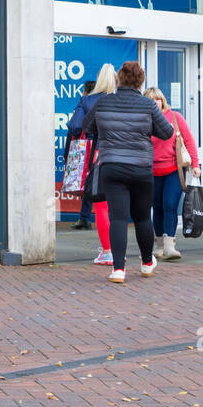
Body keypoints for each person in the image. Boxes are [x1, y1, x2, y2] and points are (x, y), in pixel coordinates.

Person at [83, 61, 174, 282]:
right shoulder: (148, 105)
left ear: (119, 79)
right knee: (143, 218)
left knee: (118, 219)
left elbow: (87, 127)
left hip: (112, 166)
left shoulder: (103, 103)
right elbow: (167, 132)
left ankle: (118, 269)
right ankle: (146, 263)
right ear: (140, 81)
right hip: (141, 168)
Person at [144, 87, 198, 260]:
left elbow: (189, 141)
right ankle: (159, 246)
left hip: (174, 170)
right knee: (157, 207)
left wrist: (195, 165)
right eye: (150, 100)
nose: (154, 102)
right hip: (151, 171)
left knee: (169, 205)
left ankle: (169, 247)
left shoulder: (175, 117)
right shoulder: (143, 119)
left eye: (157, 99)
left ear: (162, 100)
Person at [77, 64, 119, 265]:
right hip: (124, 155)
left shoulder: (88, 100)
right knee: (119, 206)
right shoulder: (122, 100)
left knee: (102, 205)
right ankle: (120, 251)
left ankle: (108, 251)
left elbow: (77, 126)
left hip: (99, 155)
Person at [65, 79, 97, 229]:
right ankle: (87, 217)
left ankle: (84, 218)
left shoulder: (84, 104)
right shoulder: (105, 102)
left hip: (85, 148)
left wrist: (67, 154)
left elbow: (75, 128)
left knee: (87, 183)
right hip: (102, 148)